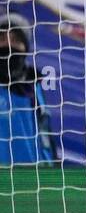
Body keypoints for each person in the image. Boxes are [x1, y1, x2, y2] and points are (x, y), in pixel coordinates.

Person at [0, 13, 57, 165]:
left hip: (35, 182)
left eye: (15, 40)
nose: (8, 45)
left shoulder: (35, 87)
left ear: (25, 47)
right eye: (2, 39)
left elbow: (46, 141)